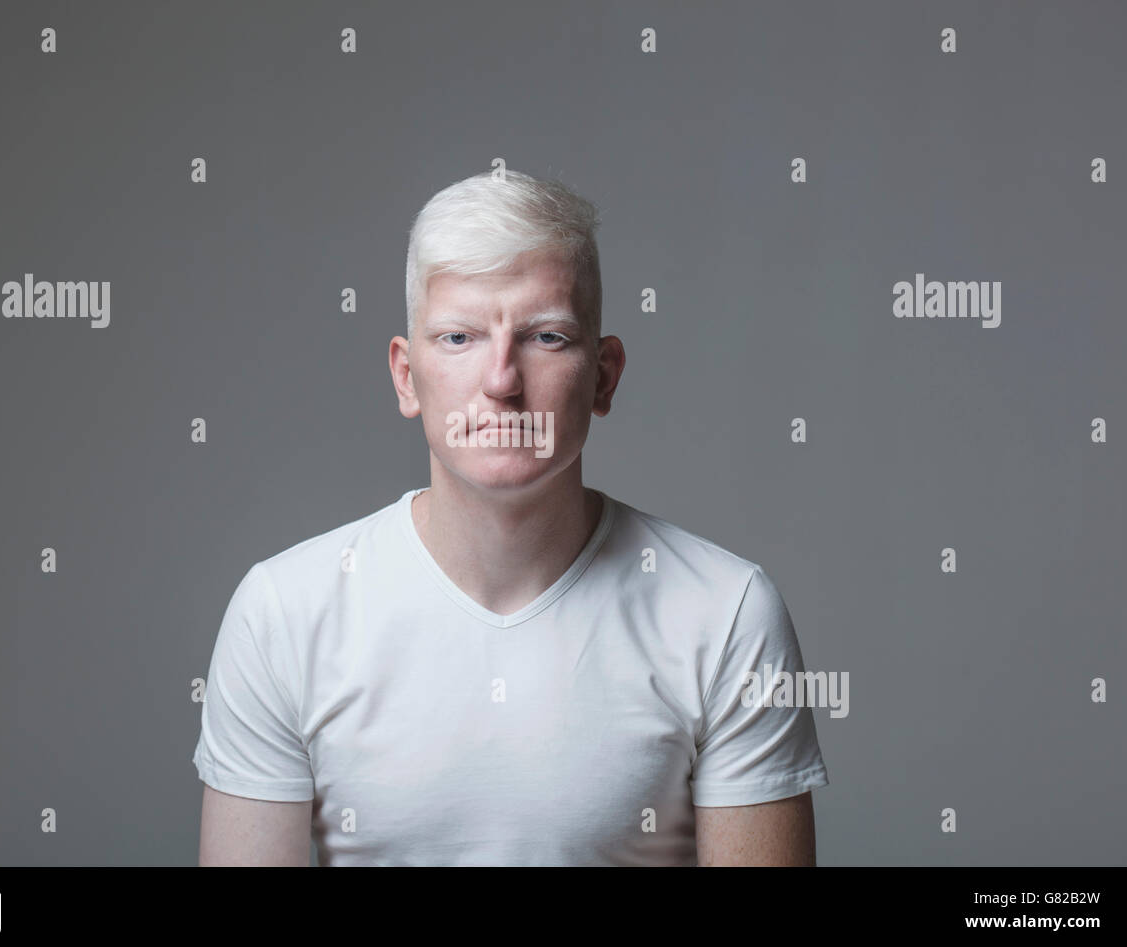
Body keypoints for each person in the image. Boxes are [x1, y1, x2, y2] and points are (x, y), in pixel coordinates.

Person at [193, 169, 829, 865]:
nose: (501, 381)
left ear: (605, 376)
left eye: (546, 337)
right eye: (459, 337)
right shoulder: (284, 613)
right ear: (406, 376)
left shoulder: (726, 613)